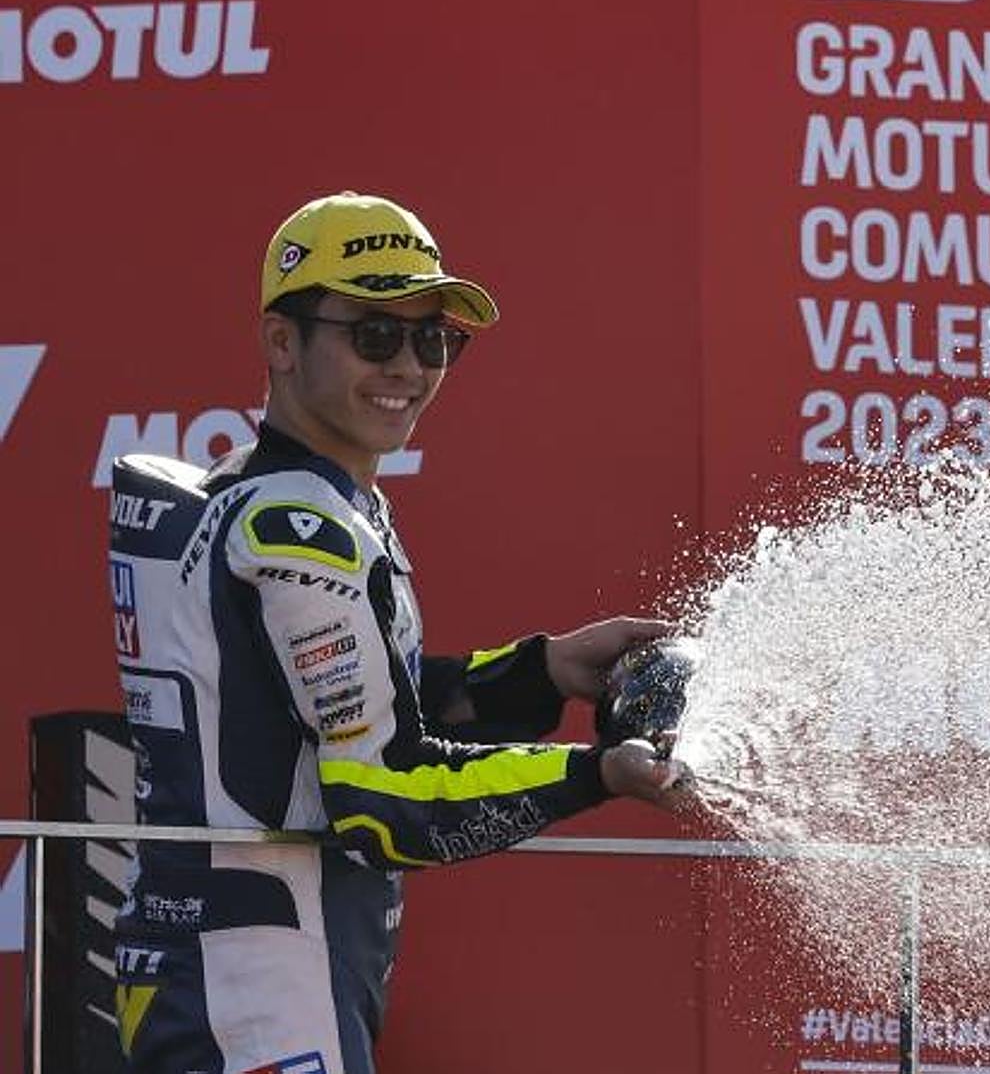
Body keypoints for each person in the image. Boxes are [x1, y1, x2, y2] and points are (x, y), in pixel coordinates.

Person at [107, 191, 691, 1074]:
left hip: (230, 961)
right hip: (261, 983)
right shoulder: (302, 530)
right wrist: (594, 773)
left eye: (435, 340)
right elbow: (382, 797)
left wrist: (546, 670)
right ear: (281, 342)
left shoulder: (276, 497)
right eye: (375, 335)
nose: (410, 368)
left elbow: (372, 708)